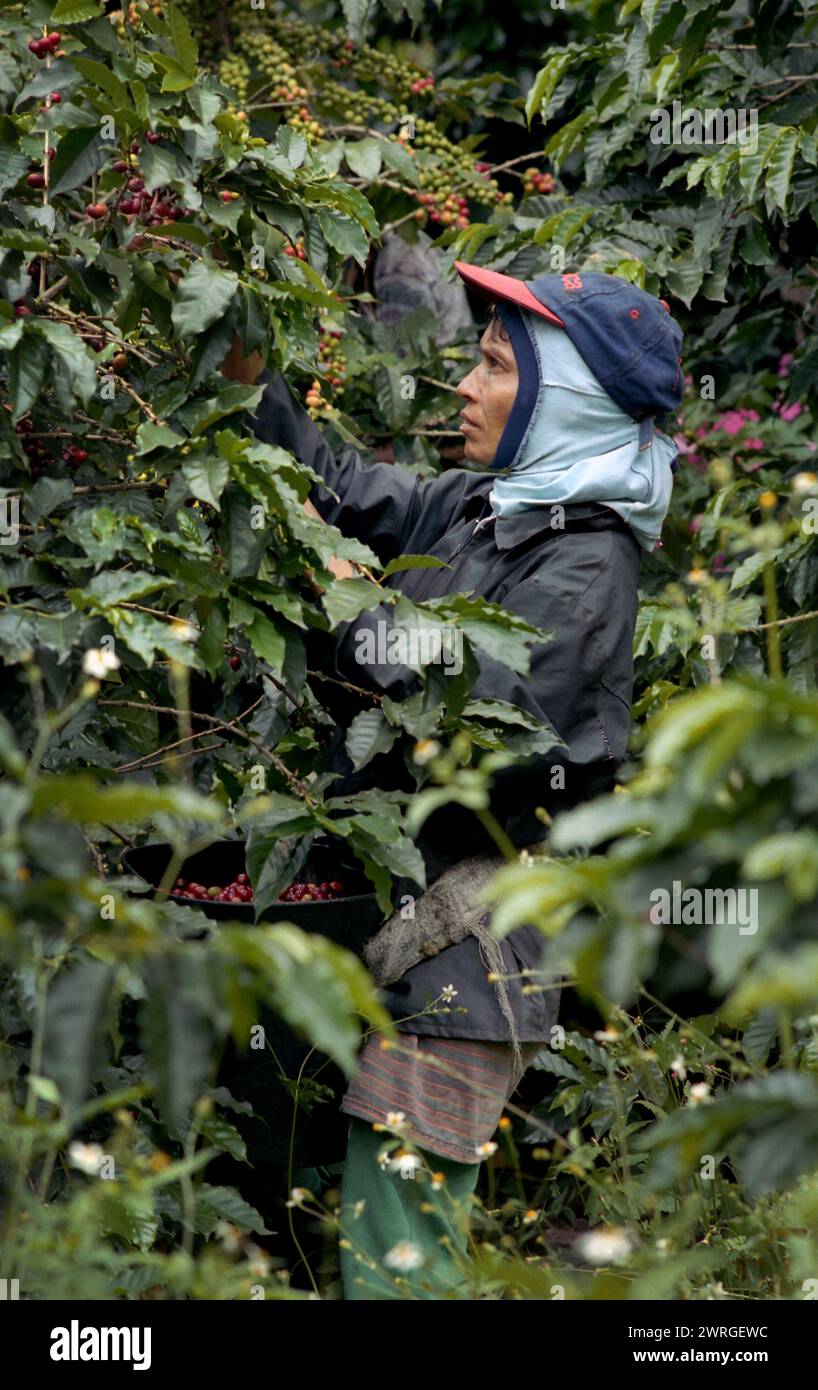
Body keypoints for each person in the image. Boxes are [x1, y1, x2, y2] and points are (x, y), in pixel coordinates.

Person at [228, 263, 684, 1299]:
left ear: (568, 399)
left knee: (401, 1251)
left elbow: (467, 713)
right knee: (366, 1232)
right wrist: (250, 375)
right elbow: (336, 488)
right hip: (408, 938)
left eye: (494, 367)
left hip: (469, 968)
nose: (465, 389)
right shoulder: (484, 508)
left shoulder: (587, 566)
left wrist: (356, 607)